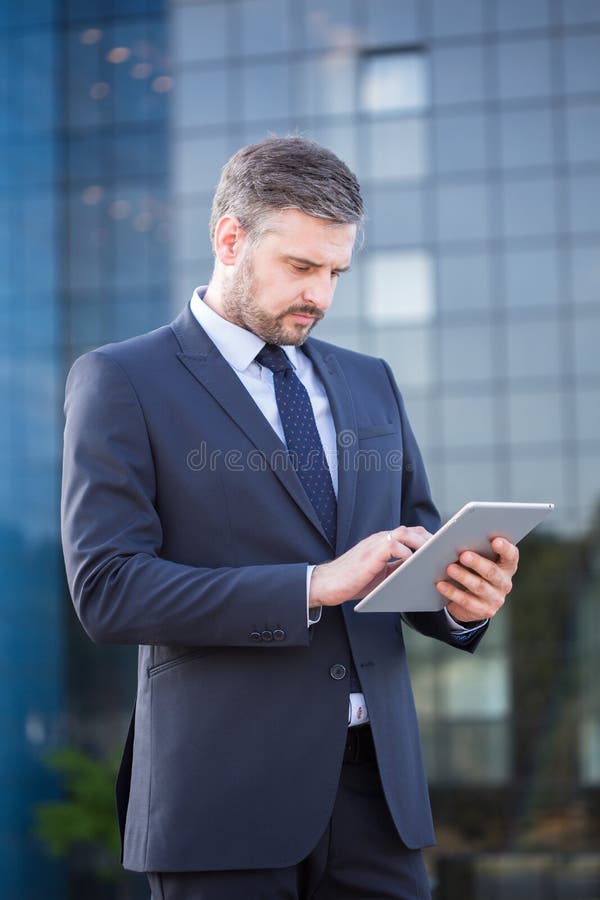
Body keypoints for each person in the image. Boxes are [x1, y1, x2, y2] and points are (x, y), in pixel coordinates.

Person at [61, 137, 518, 900]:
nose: (321, 295)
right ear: (229, 238)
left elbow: (411, 548)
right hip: (222, 797)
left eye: (335, 272)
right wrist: (311, 584)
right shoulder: (122, 380)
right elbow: (109, 590)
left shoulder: (370, 382)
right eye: (301, 267)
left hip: (380, 800)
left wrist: (462, 600)